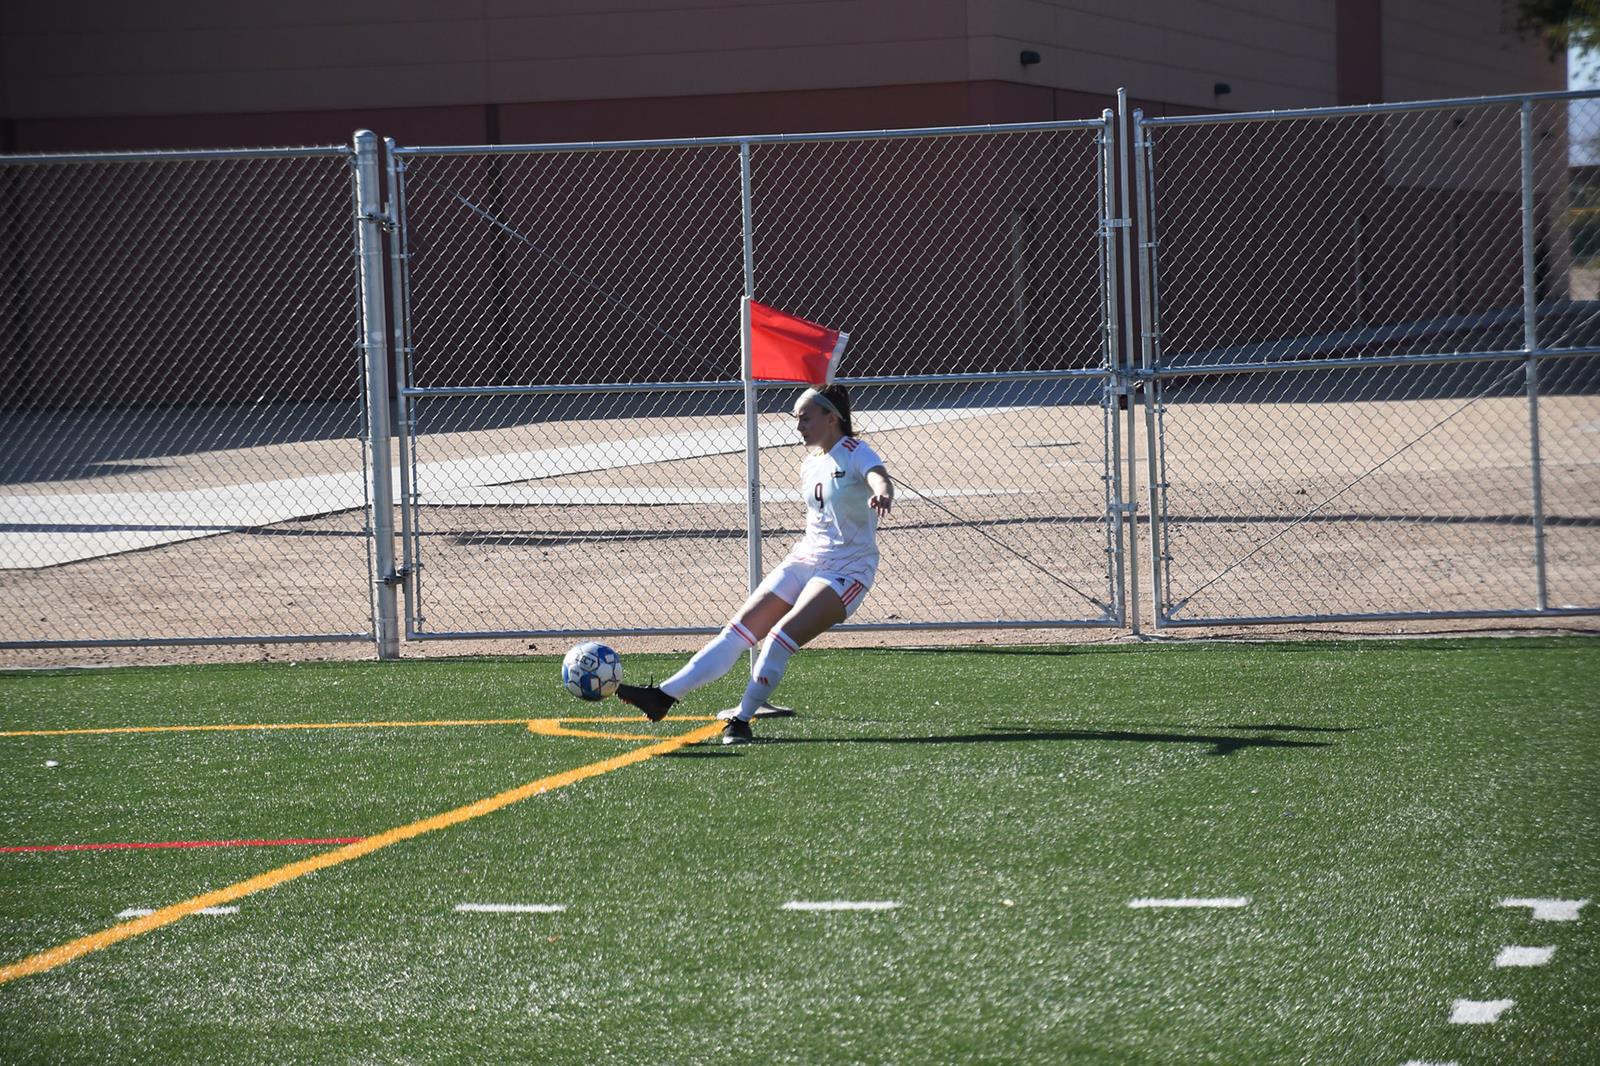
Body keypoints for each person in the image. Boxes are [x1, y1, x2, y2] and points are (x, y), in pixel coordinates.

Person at [615, 383, 894, 744]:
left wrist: (883, 492)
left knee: (778, 638)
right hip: (805, 558)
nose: (799, 427)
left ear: (831, 417)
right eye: (797, 419)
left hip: (847, 570)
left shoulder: (855, 451)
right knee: (739, 631)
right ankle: (663, 696)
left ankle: (741, 720)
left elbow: (877, 475)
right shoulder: (810, 464)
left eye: (806, 418)